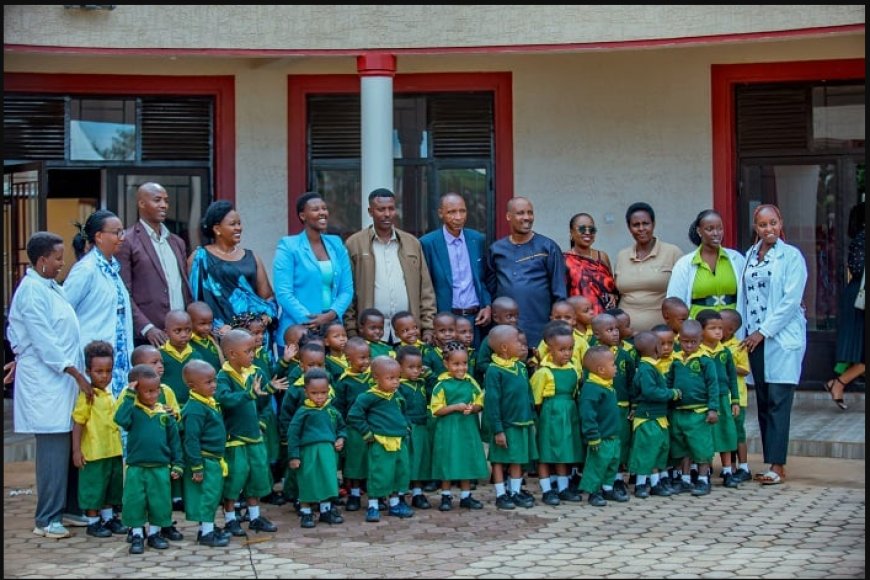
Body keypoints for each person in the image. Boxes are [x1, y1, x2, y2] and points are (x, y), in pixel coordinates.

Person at [6, 232, 93, 540]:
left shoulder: (49, 287)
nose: (62, 263)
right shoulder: (31, 292)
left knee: (71, 441)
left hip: (60, 378)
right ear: (42, 260)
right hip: (50, 380)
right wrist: (77, 374)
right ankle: (46, 518)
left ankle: (69, 507)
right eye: (57, 258)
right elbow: (44, 342)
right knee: (54, 449)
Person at [739, 204, 808, 486]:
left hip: (780, 337)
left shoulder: (791, 256)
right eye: (762, 225)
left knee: (779, 400)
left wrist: (763, 332)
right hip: (754, 339)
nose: (768, 229)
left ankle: (778, 466)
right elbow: (744, 297)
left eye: (773, 223)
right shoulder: (749, 256)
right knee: (765, 402)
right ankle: (771, 462)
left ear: (781, 224)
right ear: (755, 228)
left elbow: (790, 302)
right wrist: (746, 333)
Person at [344, 188, 436, 343]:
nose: (387, 214)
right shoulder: (354, 244)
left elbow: (426, 290)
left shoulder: (412, 243)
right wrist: (352, 331)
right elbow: (347, 291)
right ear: (370, 211)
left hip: (409, 333)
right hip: (371, 335)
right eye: (381, 209)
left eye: (391, 209)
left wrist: (428, 327)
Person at [214, 329, 280, 536]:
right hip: (235, 439)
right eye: (248, 351)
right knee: (235, 478)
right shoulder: (223, 377)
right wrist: (249, 393)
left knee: (256, 477)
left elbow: (261, 401)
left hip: (254, 436)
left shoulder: (254, 372)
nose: (252, 355)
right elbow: (226, 399)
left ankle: (254, 517)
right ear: (232, 354)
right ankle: (231, 518)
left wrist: (268, 390)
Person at [114, 364, 184, 554]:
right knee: (134, 501)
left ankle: (155, 534)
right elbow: (120, 419)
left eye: (156, 391)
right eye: (148, 392)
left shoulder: (165, 413)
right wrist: (129, 395)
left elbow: (174, 441)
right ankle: (137, 534)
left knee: (160, 502)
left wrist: (177, 464)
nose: (154, 395)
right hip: (136, 468)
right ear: (136, 391)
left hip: (160, 467)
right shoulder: (133, 411)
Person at [188, 200, 277, 346]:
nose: (238, 228)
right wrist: (216, 327)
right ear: (217, 229)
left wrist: (266, 317)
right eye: (232, 224)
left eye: (239, 223)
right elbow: (193, 300)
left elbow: (267, 296)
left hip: (253, 338)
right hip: (218, 336)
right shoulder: (199, 258)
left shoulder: (252, 257)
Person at [65, 210, 134, 399]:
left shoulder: (112, 268)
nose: (122, 237)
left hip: (118, 354)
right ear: (99, 236)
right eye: (116, 232)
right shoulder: (85, 269)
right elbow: (64, 311)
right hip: (95, 355)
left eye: (123, 232)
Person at [116, 182, 192, 348]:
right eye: (157, 200)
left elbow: (184, 287)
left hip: (181, 336)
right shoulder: (127, 241)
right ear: (141, 203)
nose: (164, 205)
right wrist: (146, 328)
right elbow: (122, 292)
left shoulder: (177, 242)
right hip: (149, 338)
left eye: (166, 200)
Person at [273, 192, 354, 348]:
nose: (322, 212)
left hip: (332, 330)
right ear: (303, 215)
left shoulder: (336, 244)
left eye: (324, 208)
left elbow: (347, 290)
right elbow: (283, 293)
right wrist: (311, 321)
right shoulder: (288, 246)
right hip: (298, 330)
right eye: (315, 209)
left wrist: (330, 315)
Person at [485, 197, 566, 347]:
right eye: (520, 213)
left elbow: (559, 291)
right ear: (508, 216)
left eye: (530, 213)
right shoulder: (496, 249)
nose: (527, 217)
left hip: (540, 327)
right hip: (506, 330)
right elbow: (491, 290)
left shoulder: (548, 247)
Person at [347, 356, 414, 523]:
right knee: (378, 474)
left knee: (399, 473)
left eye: (398, 378)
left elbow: (403, 411)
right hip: (380, 442)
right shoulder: (368, 397)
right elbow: (354, 416)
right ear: (376, 378)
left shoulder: (397, 395)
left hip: (399, 441)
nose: (395, 382)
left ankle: (394, 504)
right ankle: (373, 506)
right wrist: (367, 434)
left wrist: (406, 426)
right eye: (390, 378)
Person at [420, 192, 492, 347]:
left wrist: (487, 305)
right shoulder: (428, 243)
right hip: (445, 320)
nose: (458, 217)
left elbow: (483, 278)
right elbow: (425, 285)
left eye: (462, 211)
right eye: (451, 212)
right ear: (440, 213)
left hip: (475, 320)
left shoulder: (477, 239)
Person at [72, 341, 128, 539]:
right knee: (93, 488)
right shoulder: (87, 395)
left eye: (108, 371)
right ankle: (93, 521)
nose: (104, 376)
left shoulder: (108, 394)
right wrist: (76, 451)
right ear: (88, 371)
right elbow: (78, 423)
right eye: (98, 371)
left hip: (112, 450)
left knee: (111, 487)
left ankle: (108, 518)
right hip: (94, 453)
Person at [429, 341, 488, 511]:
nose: (461, 368)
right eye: (455, 364)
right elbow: (437, 409)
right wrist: (455, 407)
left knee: (466, 460)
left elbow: (479, 402)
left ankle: (466, 496)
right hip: (448, 430)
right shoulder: (441, 385)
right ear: (446, 364)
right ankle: (446, 496)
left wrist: (473, 408)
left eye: (464, 363)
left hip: (467, 428)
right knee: (448, 460)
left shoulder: (471, 382)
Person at [484, 324, 538, 510]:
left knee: (518, 459)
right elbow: (492, 402)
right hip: (505, 425)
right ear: (505, 348)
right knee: (499, 460)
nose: (522, 346)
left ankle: (514, 492)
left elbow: (528, 394)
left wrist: (532, 418)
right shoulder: (494, 370)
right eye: (518, 342)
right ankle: (501, 494)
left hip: (522, 422)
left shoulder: (520, 367)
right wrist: (498, 429)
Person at [530, 321, 584, 505]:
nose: (567, 353)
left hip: (569, 415)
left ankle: (563, 488)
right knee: (546, 452)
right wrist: (544, 416)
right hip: (550, 416)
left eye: (570, 349)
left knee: (564, 451)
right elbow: (536, 400)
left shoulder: (574, 369)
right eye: (562, 350)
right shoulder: (543, 372)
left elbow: (575, 393)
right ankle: (547, 490)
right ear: (549, 349)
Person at [180, 359, 231, 547]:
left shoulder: (209, 402)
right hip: (205, 459)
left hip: (214, 459)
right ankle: (206, 534)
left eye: (214, 380)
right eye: (208, 382)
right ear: (192, 386)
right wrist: (196, 466)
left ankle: (206, 528)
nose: (214, 385)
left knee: (213, 494)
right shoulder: (195, 409)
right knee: (208, 496)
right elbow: (191, 439)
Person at [287, 368, 347, 529]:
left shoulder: (331, 410)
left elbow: (342, 427)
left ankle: (326, 511)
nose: (319, 397)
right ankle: (306, 513)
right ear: (306, 392)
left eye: (323, 392)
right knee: (308, 481)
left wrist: (341, 438)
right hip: (309, 453)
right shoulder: (303, 412)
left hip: (328, 453)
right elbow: (293, 434)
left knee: (327, 480)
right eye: (314, 393)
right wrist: (294, 456)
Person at [666, 319, 719, 497]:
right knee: (681, 448)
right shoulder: (675, 360)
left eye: (693, 342)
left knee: (700, 447)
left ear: (700, 339)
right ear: (679, 340)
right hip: (679, 412)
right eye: (685, 341)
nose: (689, 345)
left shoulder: (705, 360)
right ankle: (685, 479)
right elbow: (669, 382)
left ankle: (703, 480)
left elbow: (713, 385)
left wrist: (713, 409)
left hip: (699, 412)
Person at [666, 209, 746, 321]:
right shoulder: (684, 264)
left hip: (732, 331)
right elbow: (674, 302)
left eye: (720, 228)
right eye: (710, 229)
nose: (716, 233)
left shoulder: (737, 259)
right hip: (699, 330)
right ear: (699, 231)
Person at [614, 202, 683, 332]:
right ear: (629, 228)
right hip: (626, 335)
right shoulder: (622, 256)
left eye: (645, 223)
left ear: (653, 224)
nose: (641, 228)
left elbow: (683, 293)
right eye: (635, 225)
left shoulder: (673, 252)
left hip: (662, 336)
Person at [629, 331, 680, 498]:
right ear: (654, 349)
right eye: (660, 344)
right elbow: (650, 392)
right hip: (647, 418)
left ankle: (656, 483)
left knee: (659, 450)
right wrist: (671, 394)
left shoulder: (652, 367)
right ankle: (640, 485)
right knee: (646, 451)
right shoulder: (645, 369)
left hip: (658, 417)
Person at [825, 201, 865, 410]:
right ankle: (838, 384)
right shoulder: (862, 239)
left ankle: (837, 384)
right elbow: (858, 268)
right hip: (860, 300)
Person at [696, 309, 741, 489]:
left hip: (723, 398)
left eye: (720, 328)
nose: (718, 332)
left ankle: (728, 471)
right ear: (701, 331)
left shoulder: (725, 353)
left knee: (726, 434)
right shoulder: (698, 353)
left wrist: (735, 400)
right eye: (712, 328)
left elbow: (732, 377)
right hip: (705, 401)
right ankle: (704, 473)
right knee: (706, 437)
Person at [332, 337, 373, 512]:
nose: (366, 361)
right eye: (361, 358)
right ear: (348, 359)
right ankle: (354, 495)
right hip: (353, 429)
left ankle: (375, 496)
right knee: (354, 464)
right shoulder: (344, 381)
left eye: (367, 357)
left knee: (373, 462)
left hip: (373, 426)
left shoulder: (374, 377)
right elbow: (338, 407)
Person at [578, 346, 620, 507]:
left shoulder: (607, 385)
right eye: (613, 365)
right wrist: (593, 436)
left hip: (612, 436)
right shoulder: (592, 388)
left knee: (611, 464)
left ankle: (607, 488)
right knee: (597, 465)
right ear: (601, 370)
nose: (615, 367)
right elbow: (588, 415)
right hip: (600, 438)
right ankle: (593, 492)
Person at [396, 345, 435, 510]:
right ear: (399, 367)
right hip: (406, 429)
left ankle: (418, 493)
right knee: (406, 463)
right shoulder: (399, 386)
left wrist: (430, 375)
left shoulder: (421, 383)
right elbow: (397, 408)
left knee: (420, 461)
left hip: (421, 427)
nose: (415, 371)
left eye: (419, 367)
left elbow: (435, 391)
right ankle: (400, 494)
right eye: (410, 367)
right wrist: (403, 423)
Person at [564, 212, 619, 315]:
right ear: (571, 233)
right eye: (582, 229)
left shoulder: (602, 256)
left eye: (592, 229)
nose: (588, 232)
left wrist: (613, 296)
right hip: (579, 321)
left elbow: (612, 289)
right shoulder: (564, 260)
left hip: (605, 319)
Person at [720, 309, 753, 482]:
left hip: (737, 398)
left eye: (720, 326)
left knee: (738, 432)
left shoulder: (738, 346)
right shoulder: (714, 346)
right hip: (721, 398)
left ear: (731, 329)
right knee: (725, 433)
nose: (717, 330)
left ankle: (744, 467)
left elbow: (745, 369)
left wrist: (726, 367)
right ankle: (729, 467)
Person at [160, 309, 202, 406]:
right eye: (177, 331)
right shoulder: (160, 355)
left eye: (188, 330)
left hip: (191, 406)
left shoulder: (196, 355)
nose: (184, 335)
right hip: (168, 407)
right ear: (166, 333)